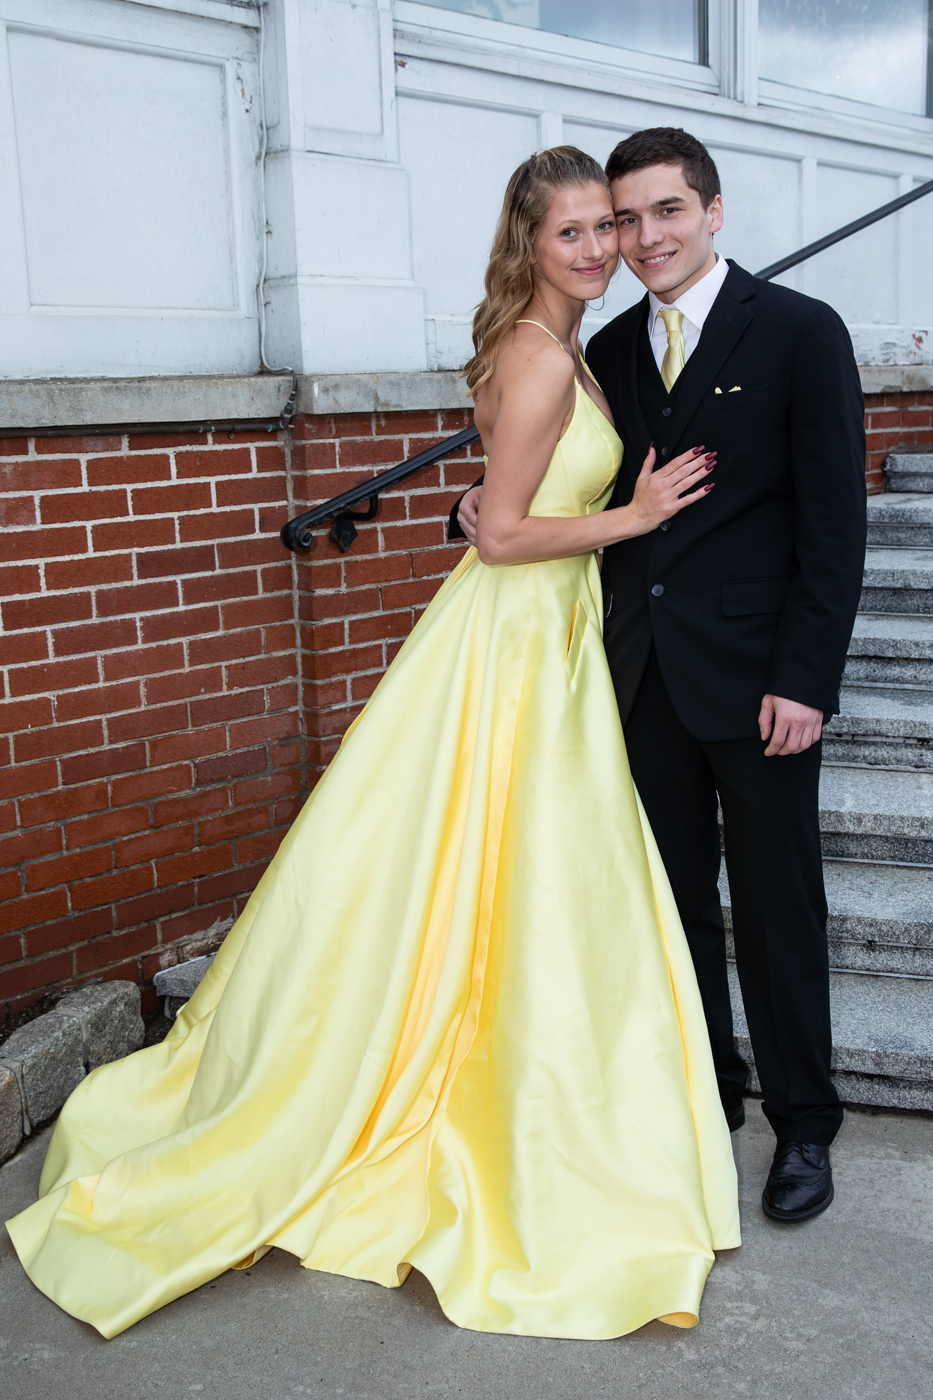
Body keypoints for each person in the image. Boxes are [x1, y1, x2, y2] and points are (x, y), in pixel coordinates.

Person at [7, 148, 739, 1342]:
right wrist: (635, 514)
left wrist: (529, 505)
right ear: (529, 243)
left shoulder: (562, 347)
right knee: (514, 865)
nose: (600, 248)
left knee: (509, 876)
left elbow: (493, 501)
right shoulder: (541, 354)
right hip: (513, 640)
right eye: (571, 232)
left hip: (539, 635)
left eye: (606, 227)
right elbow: (503, 536)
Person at [453, 129, 867, 1225]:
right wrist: (477, 505)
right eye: (623, 219)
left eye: (664, 211)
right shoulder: (608, 346)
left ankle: (804, 1125)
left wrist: (806, 677)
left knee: (778, 909)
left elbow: (835, 524)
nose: (641, 238)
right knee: (670, 905)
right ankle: (705, 1094)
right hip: (634, 676)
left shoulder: (799, 331)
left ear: (714, 211)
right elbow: (563, 480)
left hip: (761, 684)